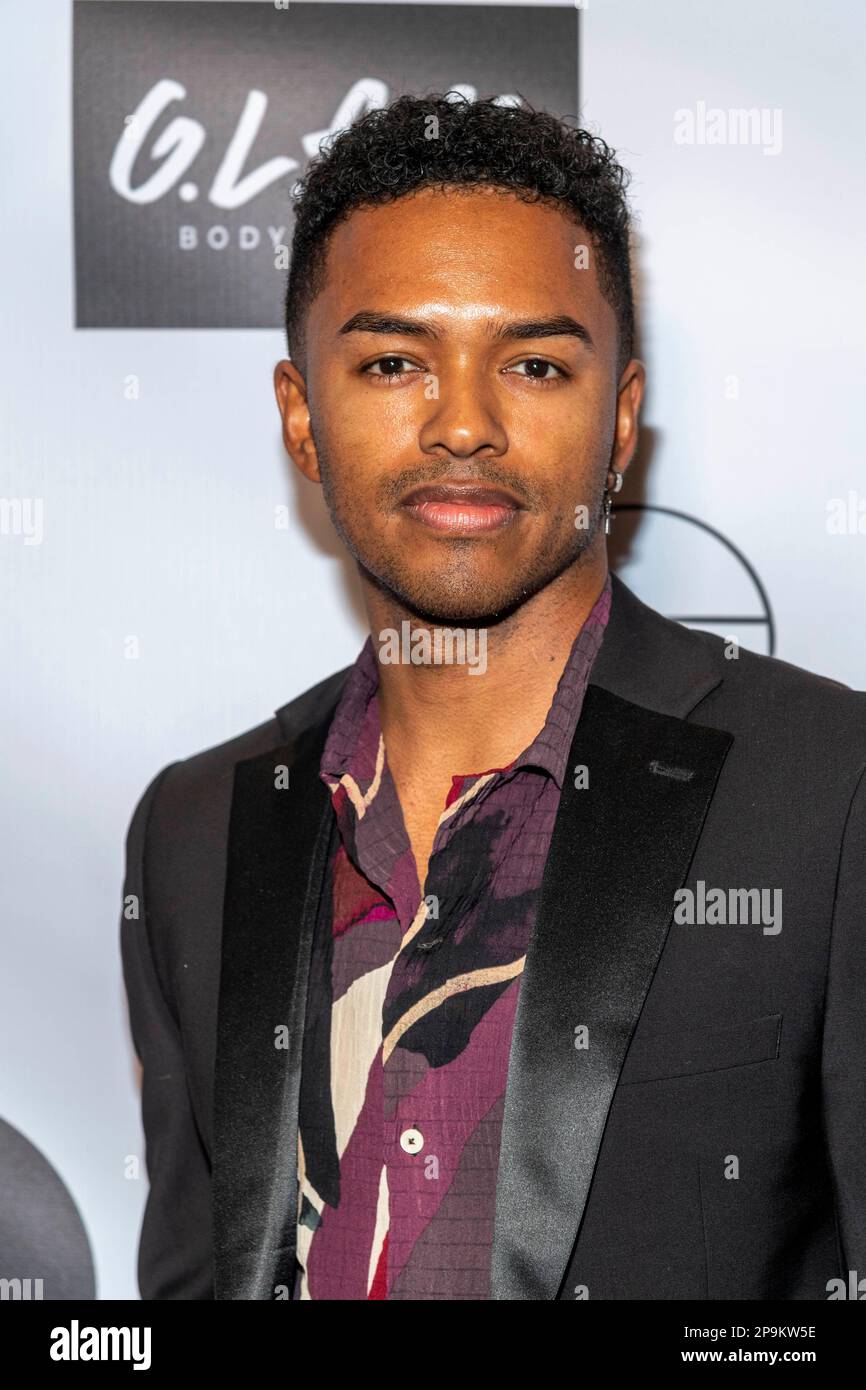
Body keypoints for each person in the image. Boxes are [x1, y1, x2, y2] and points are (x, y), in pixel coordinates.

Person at [120, 93, 866, 1301]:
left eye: (530, 363)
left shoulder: (828, 792)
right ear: (301, 419)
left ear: (618, 421)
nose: (463, 423)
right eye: (392, 362)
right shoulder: (196, 827)